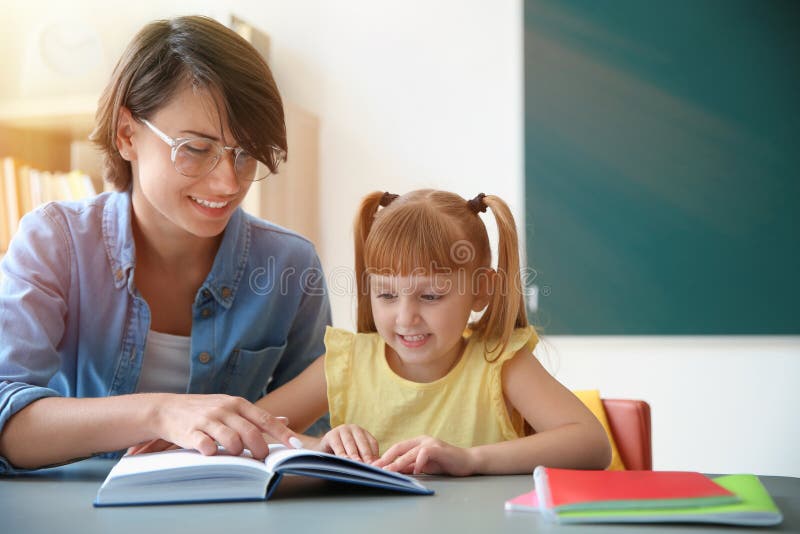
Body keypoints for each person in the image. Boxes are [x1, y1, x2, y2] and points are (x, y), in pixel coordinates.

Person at [0, 15, 330, 473]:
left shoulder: (291, 266)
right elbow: (7, 417)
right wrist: (162, 413)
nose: (227, 181)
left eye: (246, 153)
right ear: (127, 134)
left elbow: (314, 439)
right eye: (196, 148)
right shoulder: (55, 242)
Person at [259, 189, 611, 475]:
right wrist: (320, 447)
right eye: (386, 294)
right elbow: (246, 432)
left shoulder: (500, 363)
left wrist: (473, 460)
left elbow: (593, 445)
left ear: (481, 290)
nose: (406, 317)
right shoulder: (346, 363)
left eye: (430, 296)